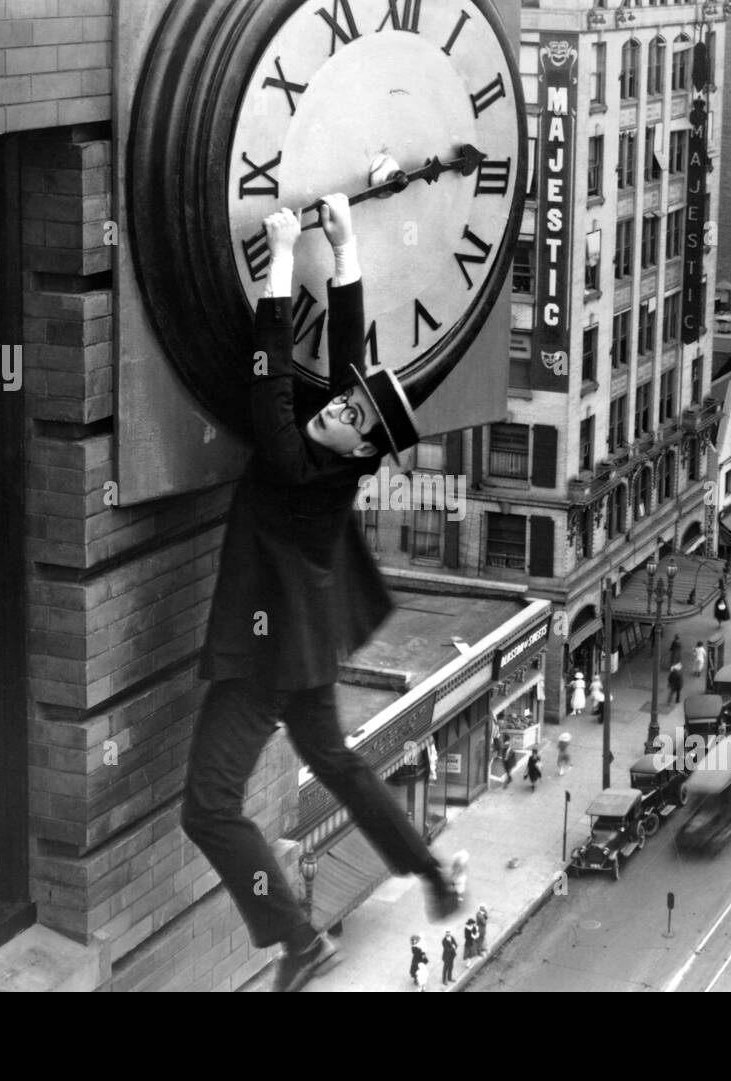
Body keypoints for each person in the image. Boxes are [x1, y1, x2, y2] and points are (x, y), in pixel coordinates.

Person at [180, 196, 462, 993]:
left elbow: (270, 378)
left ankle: (299, 941)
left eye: (346, 415)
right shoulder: (339, 450)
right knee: (334, 759)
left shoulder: (297, 462)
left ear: (360, 446)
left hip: (268, 655)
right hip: (303, 643)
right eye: (340, 403)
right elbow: (347, 371)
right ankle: (428, 870)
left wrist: (276, 259)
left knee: (208, 807)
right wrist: (346, 251)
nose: (333, 407)